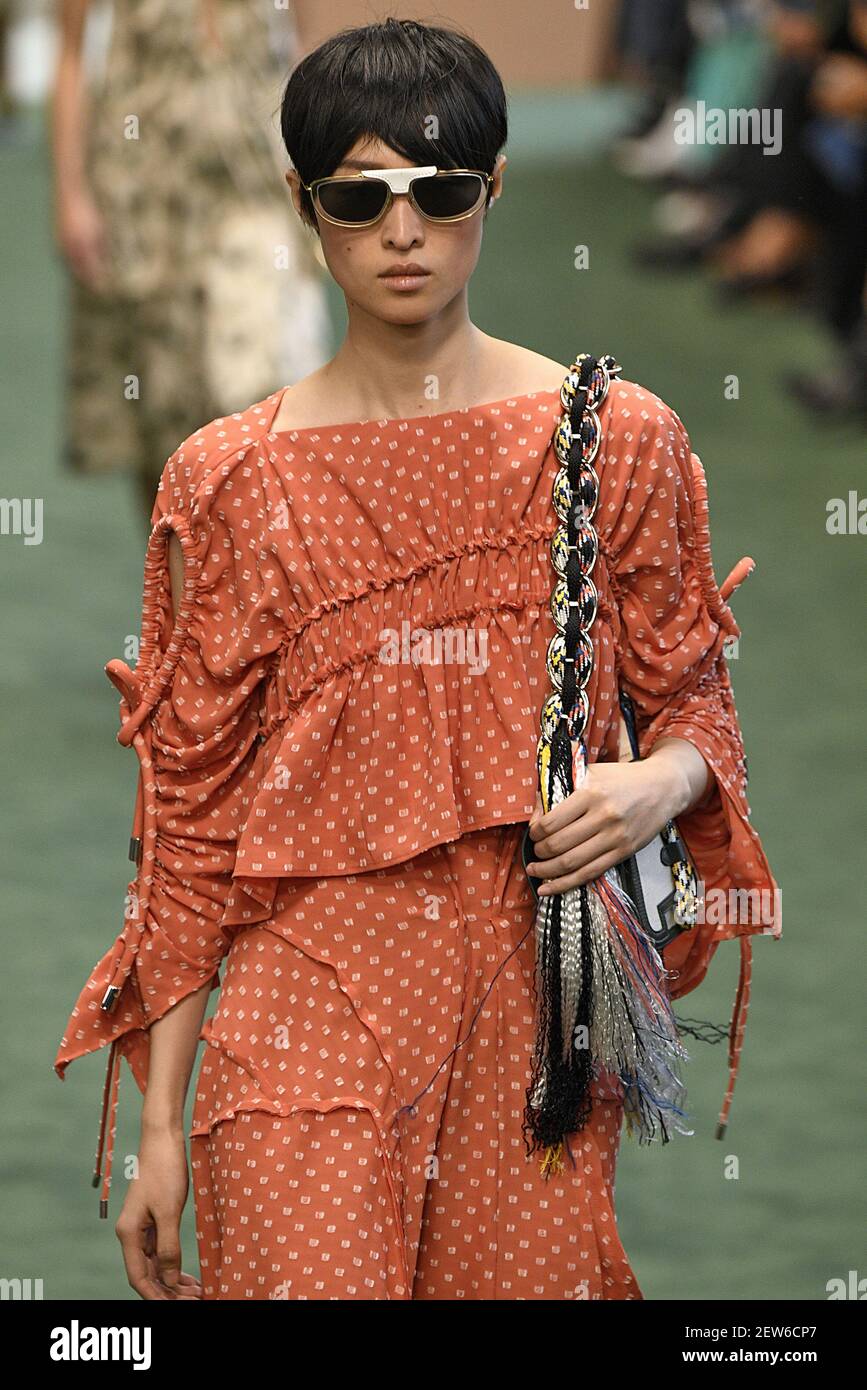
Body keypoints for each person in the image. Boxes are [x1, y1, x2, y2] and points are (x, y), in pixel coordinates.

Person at [54, 17, 780, 1301]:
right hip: (297, 1006)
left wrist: (656, 786)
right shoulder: (227, 479)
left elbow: (694, 707)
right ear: (304, 203)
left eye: (441, 193)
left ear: (493, 192)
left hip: (528, 1009)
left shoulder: (618, 442)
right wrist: (158, 1127)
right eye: (360, 196)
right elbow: (188, 815)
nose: (404, 231)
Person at [51, 0, 330, 523]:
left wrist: (316, 167)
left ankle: (259, 582)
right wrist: (71, 195)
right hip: (141, 193)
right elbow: (71, 56)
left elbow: (301, 49)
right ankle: (181, 589)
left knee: (265, 392)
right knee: (161, 411)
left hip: (251, 181)